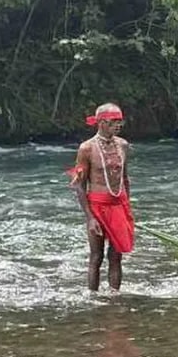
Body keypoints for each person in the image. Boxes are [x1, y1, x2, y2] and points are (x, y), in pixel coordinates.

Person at [69, 103, 134, 292]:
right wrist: (90, 218)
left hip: (119, 204)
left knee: (116, 255)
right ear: (102, 123)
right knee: (96, 256)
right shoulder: (86, 148)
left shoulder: (122, 145)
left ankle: (115, 297)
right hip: (97, 206)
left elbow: (125, 178)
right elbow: (79, 185)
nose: (119, 125)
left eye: (120, 121)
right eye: (115, 121)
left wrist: (127, 207)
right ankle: (94, 298)